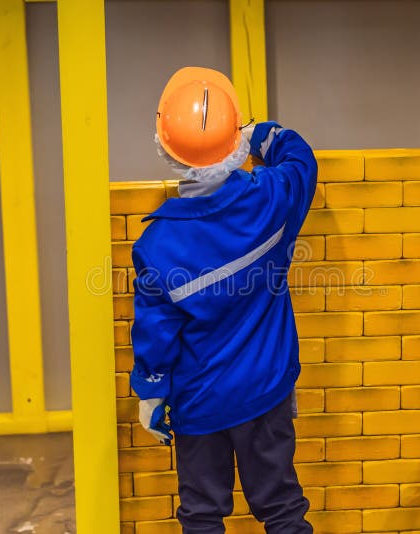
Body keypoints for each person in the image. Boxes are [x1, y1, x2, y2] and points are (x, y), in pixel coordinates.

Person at [130, 66, 317, 534]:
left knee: (201, 515)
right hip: (265, 392)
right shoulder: (273, 200)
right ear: (233, 143)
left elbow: (156, 335)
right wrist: (260, 136)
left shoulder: (157, 245)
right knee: (282, 509)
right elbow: (301, 160)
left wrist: (151, 392)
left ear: (166, 149)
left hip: (199, 405)